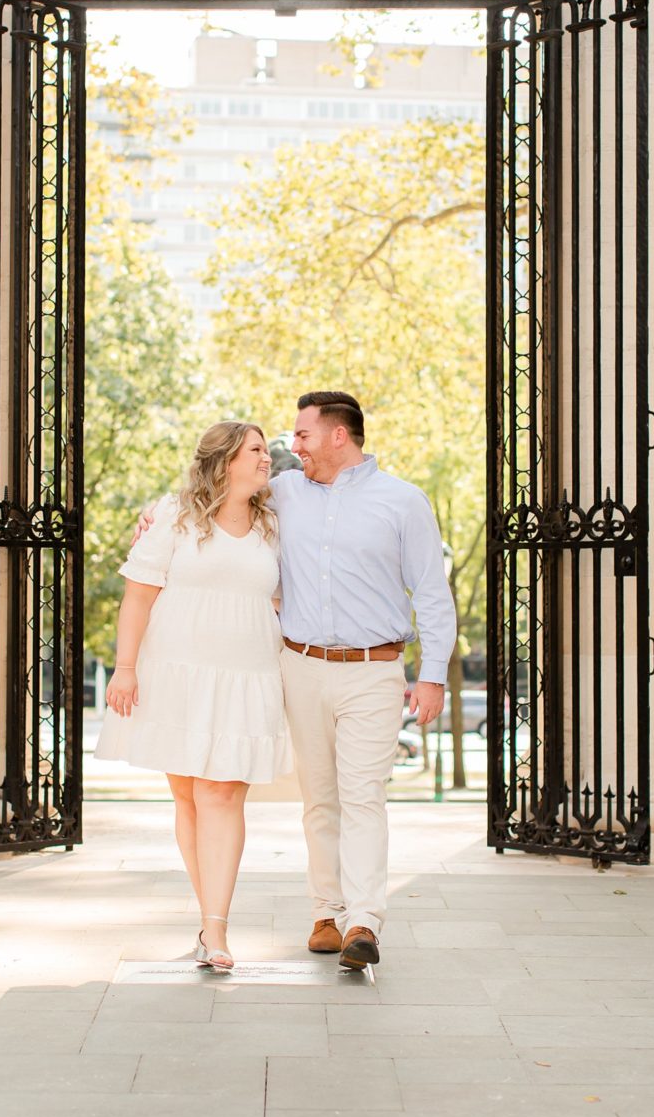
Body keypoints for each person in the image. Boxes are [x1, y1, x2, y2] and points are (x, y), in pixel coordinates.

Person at [139, 390, 456, 971]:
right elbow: (212, 497)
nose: (292, 447)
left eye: (302, 436)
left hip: (376, 668)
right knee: (320, 799)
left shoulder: (403, 502)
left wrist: (432, 674)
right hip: (299, 666)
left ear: (340, 435)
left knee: (364, 796)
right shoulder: (282, 494)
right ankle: (328, 914)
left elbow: (432, 593)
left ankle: (365, 919)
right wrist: (156, 513)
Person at [95, 421, 290, 973]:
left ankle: (217, 929)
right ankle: (211, 922)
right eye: (255, 450)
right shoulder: (173, 516)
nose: (265, 458)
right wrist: (125, 668)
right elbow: (137, 598)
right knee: (188, 796)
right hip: (176, 670)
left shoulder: (273, 524)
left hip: (247, 674)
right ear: (226, 459)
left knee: (222, 792)